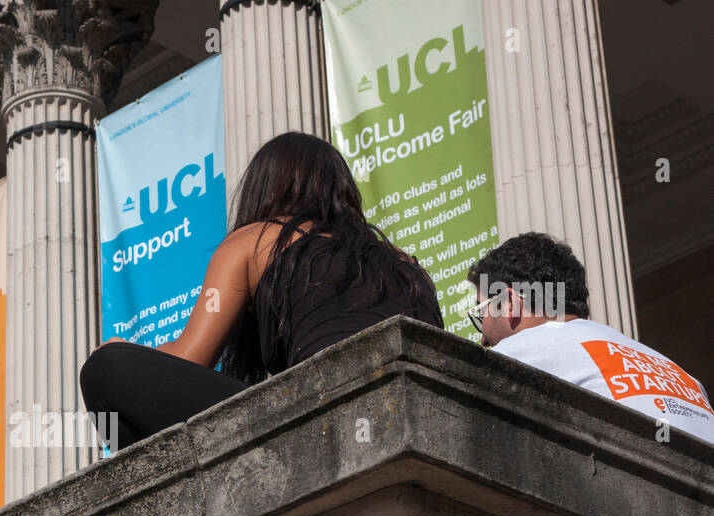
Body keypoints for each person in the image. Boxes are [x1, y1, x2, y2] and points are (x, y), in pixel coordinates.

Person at [80, 131, 444, 450]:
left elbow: (189, 357)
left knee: (105, 369)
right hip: (420, 414)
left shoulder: (256, 239)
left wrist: (118, 349)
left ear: (264, 189)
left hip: (320, 421)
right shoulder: (405, 263)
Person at [469, 232, 714, 444]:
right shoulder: (682, 375)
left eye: (482, 312)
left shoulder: (523, 348)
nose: (484, 341)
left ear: (508, 303)